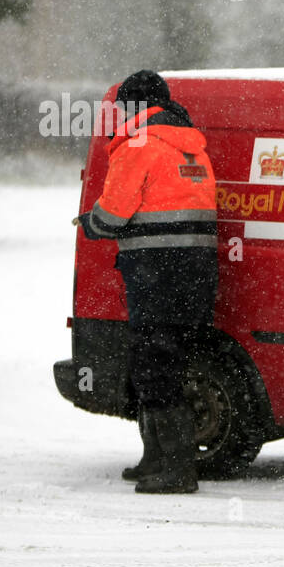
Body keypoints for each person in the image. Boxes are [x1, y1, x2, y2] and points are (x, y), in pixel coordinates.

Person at [78, 70, 217, 494]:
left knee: (154, 367)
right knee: (169, 364)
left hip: (158, 275)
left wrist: (90, 223)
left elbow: (114, 214)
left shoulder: (138, 144)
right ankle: (157, 459)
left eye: (123, 106)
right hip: (195, 275)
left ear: (135, 106)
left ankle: (175, 470)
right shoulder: (191, 148)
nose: (119, 114)